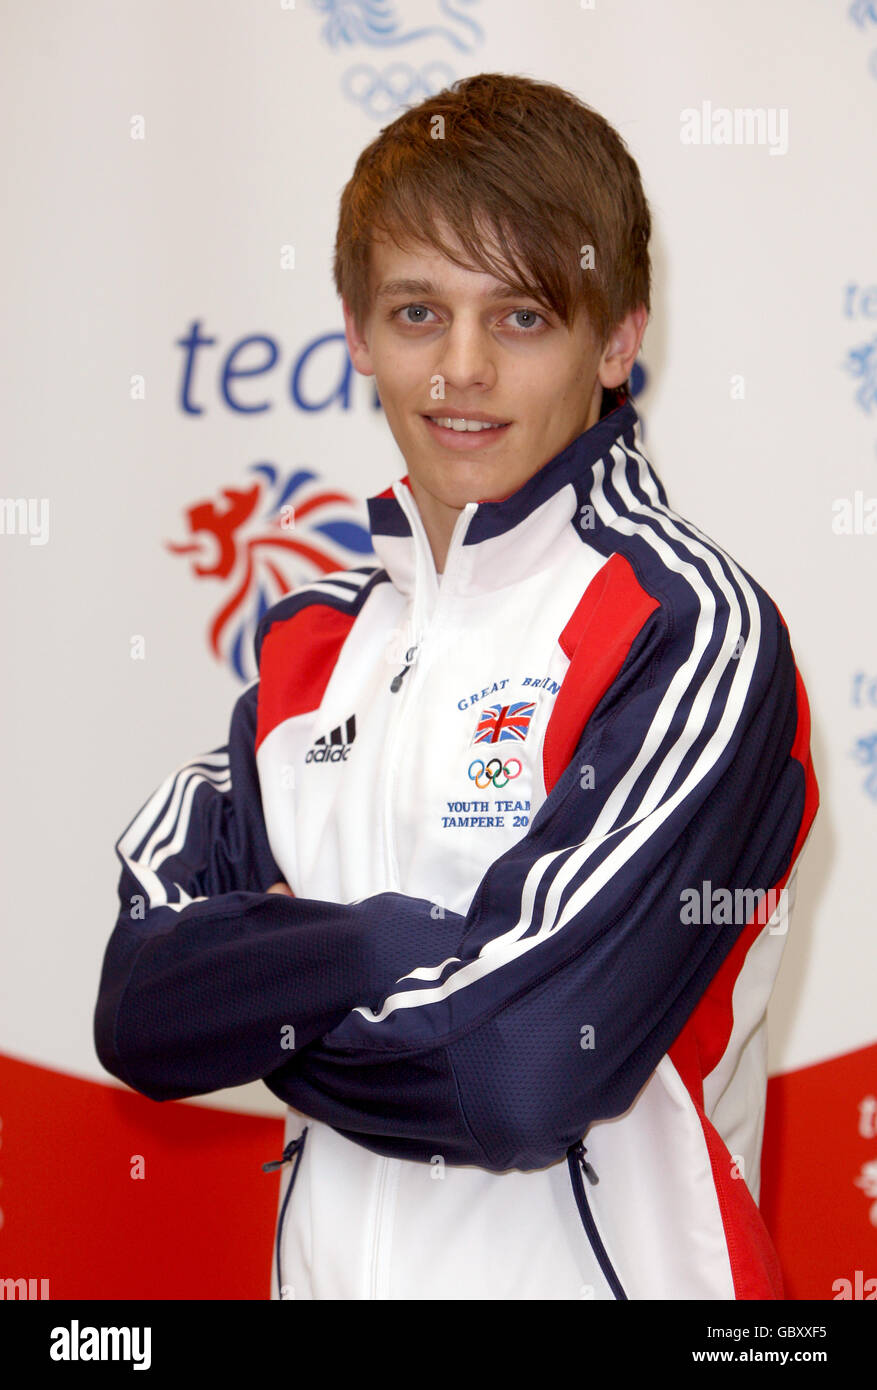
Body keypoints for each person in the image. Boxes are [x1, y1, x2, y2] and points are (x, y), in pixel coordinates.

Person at [94, 72, 819, 1300]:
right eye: (419, 312)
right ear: (356, 330)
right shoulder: (309, 644)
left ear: (619, 336)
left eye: (523, 317)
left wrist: (274, 995)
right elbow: (143, 1009)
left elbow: (524, 1074)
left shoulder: (689, 627)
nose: (462, 367)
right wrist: (390, 942)